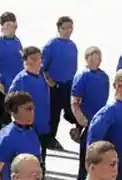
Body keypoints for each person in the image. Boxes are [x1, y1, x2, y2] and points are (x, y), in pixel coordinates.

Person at [0, 91, 42, 180]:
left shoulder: (31, 132)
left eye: (33, 109)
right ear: (14, 111)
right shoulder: (6, 137)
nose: (32, 113)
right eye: (28, 109)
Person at [70, 46, 109, 180]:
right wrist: (81, 120)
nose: (97, 61)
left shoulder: (104, 77)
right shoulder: (82, 76)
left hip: (99, 122)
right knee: (85, 158)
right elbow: (75, 100)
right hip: (86, 122)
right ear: (87, 59)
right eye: (94, 58)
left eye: (99, 58)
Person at [41, 16, 75, 150]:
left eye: (70, 28)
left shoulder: (72, 46)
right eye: (64, 28)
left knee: (71, 112)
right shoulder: (51, 45)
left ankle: (77, 133)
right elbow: (43, 66)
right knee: (53, 114)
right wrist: (49, 81)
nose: (68, 31)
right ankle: (49, 139)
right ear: (59, 29)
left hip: (68, 85)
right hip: (54, 85)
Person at [8, 46, 51, 153]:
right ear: (25, 61)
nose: (37, 62)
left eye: (39, 58)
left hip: (43, 126)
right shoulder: (21, 80)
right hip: (28, 128)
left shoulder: (42, 78)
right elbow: (11, 103)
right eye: (33, 59)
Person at [0, 12, 23, 134]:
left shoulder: (17, 42)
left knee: (14, 117)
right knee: (0, 117)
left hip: (16, 88)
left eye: (13, 25)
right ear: (3, 27)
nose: (11, 28)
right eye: (8, 25)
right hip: (2, 88)